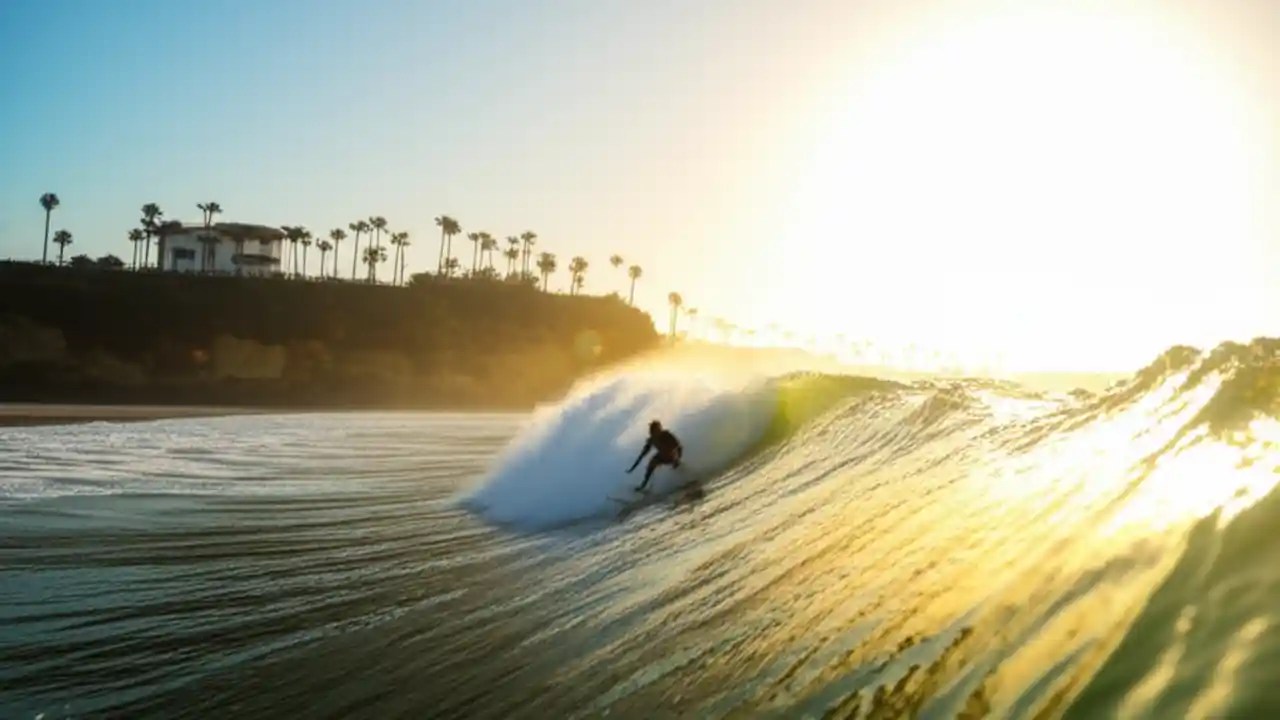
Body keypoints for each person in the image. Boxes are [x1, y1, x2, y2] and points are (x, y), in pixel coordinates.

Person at [626, 420, 683, 491]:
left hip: (672, 456)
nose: (653, 433)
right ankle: (643, 486)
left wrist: (678, 458)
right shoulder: (652, 439)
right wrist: (632, 468)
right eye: (652, 431)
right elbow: (642, 455)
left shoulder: (667, 435)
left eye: (656, 430)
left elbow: (679, 447)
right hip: (661, 456)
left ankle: (684, 477)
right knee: (651, 463)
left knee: (677, 465)